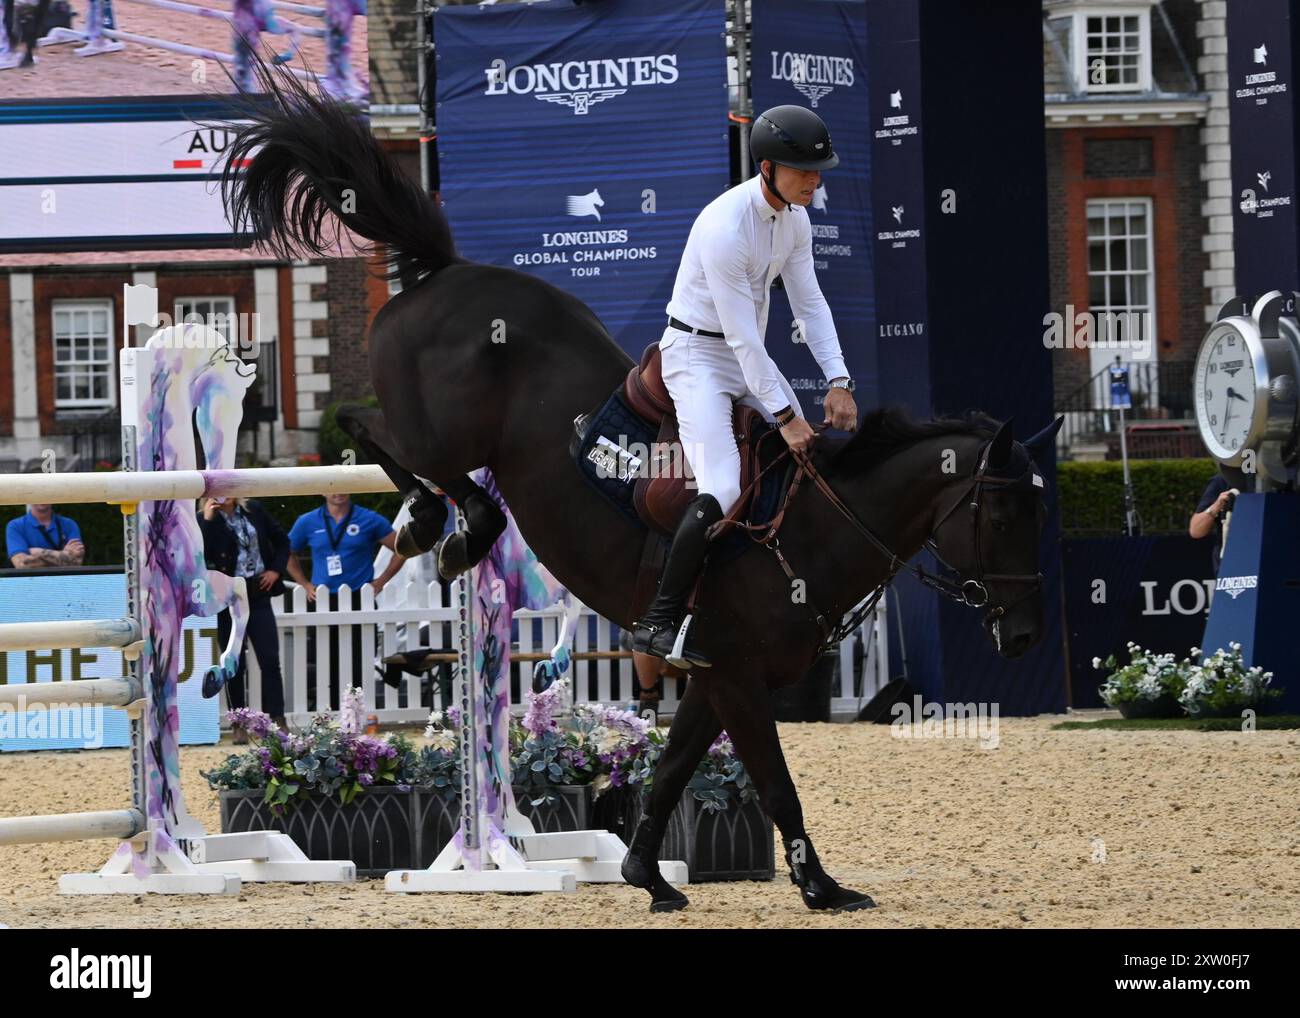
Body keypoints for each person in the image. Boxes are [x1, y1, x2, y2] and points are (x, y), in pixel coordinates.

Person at [631, 104, 858, 669]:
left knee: (808, 458)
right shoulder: (724, 226)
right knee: (725, 485)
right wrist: (786, 415)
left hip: (742, 354)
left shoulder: (797, 221)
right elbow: (741, 339)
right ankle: (658, 622)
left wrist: (838, 379)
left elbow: (810, 304)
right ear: (766, 167)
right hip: (696, 357)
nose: (816, 179)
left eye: (819, 169)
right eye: (804, 170)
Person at [286, 493, 407, 709]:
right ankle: (330, 710)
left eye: (343, 486)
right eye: (332, 486)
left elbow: (402, 548)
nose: (338, 491)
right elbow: (286, 552)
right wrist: (304, 584)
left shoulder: (369, 518)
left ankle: (358, 710)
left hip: (360, 597)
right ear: (322, 491)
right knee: (326, 658)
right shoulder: (308, 521)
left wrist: (380, 581)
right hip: (323, 598)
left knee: (361, 657)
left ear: (351, 488)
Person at [198, 496, 290, 740]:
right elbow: (199, 557)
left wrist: (275, 569)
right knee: (233, 663)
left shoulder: (254, 510)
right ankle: (239, 722)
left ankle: (278, 719)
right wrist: (207, 520)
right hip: (228, 596)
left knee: (269, 659)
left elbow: (282, 540)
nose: (223, 494)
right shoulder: (204, 520)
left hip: (258, 592)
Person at [6, 503, 85, 569]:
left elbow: (76, 562)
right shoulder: (15, 526)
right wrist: (64, 555)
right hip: (31, 585)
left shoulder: (69, 524)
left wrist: (38, 552)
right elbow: (22, 564)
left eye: (45, 490)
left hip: (65, 585)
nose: (41, 496)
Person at [1189, 473, 1238, 577]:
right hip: (1231, 563)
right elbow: (1195, 530)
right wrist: (1217, 505)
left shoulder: (1278, 475)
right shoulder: (1223, 480)